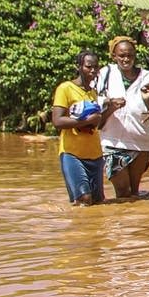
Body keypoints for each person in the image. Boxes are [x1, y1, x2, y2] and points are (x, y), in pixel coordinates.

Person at [50, 51, 120, 206]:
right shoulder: (65, 88)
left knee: (97, 202)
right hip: (72, 154)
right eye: (89, 67)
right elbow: (57, 121)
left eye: (96, 67)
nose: (93, 71)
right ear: (79, 67)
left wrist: (109, 110)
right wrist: (85, 121)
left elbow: (96, 125)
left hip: (94, 155)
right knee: (84, 199)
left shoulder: (92, 93)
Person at [96, 36, 149, 200]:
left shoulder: (146, 76)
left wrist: (148, 99)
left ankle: (135, 224)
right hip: (112, 142)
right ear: (114, 56)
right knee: (123, 192)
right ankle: (120, 225)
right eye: (122, 55)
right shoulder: (106, 73)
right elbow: (95, 101)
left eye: (130, 55)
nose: (126, 59)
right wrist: (110, 104)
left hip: (141, 142)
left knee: (134, 193)